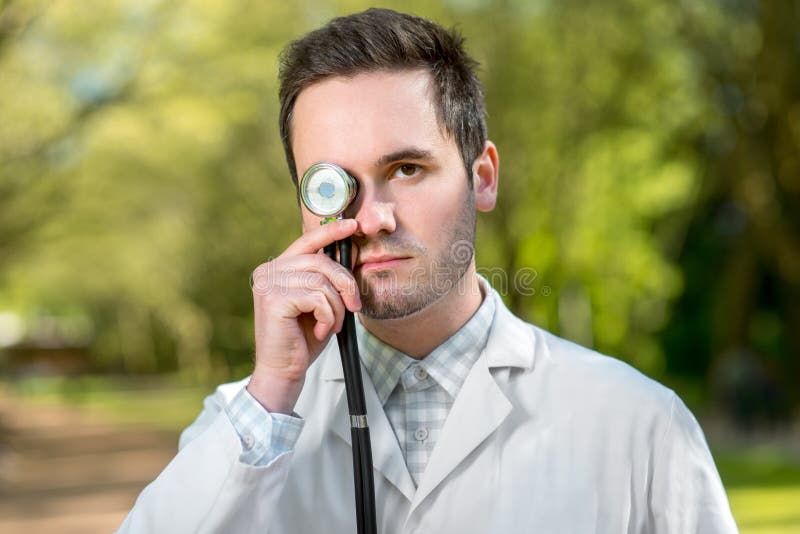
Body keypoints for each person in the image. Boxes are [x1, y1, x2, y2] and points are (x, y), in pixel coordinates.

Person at [117, 8, 737, 533]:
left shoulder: (639, 424)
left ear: (482, 178)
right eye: (332, 185)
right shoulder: (245, 422)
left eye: (407, 169)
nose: (373, 218)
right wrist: (275, 389)